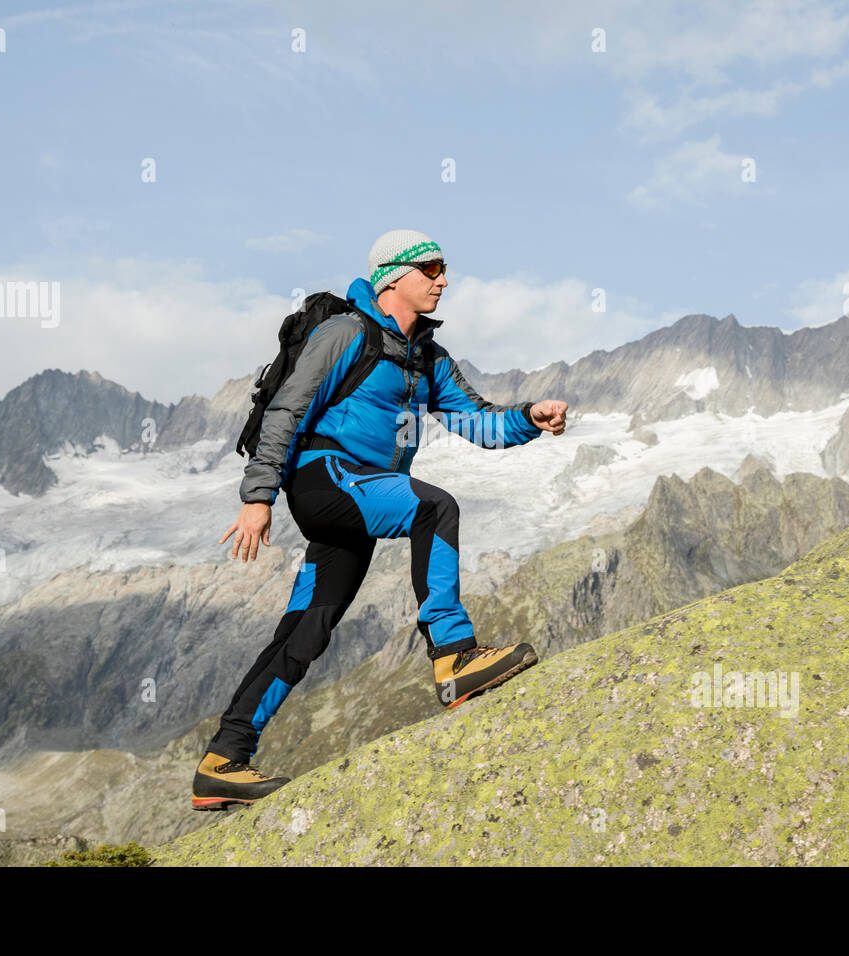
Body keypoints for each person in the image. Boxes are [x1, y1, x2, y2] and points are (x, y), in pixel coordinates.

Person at [191, 229, 569, 809]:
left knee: (307, 630)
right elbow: (288, 410)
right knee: (434, 506)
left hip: (363, 495)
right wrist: (258, 495)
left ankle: (223, 761)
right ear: (393, 276)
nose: (444, 281)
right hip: (327, 478)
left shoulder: (428, 358)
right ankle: (453, 655)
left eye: (444, 270)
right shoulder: (344, 333)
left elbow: (476, 421)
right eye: (431, 270)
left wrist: (529, 417)